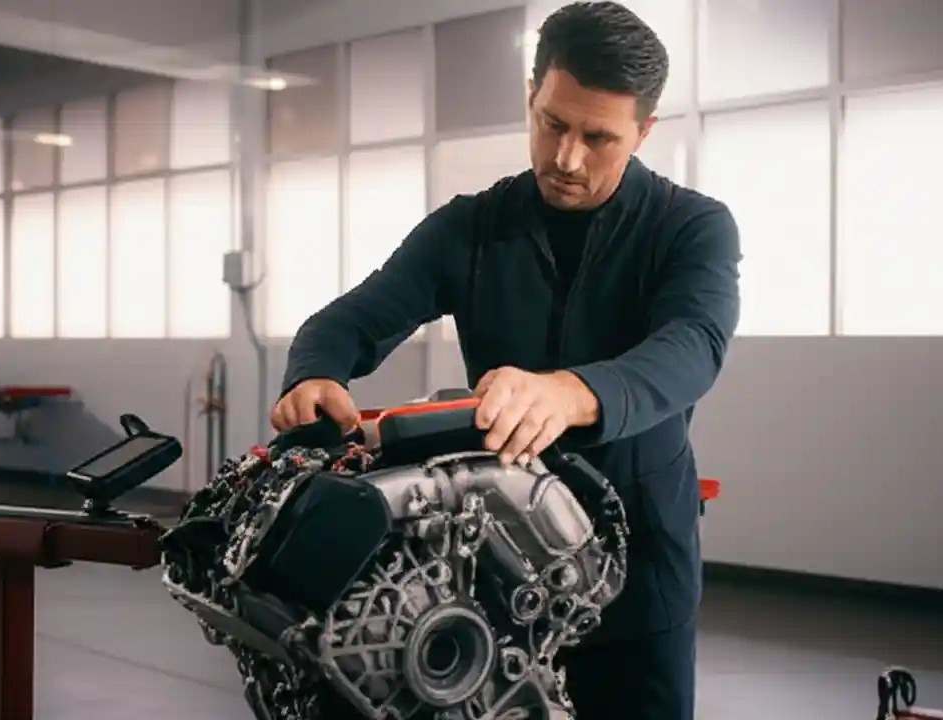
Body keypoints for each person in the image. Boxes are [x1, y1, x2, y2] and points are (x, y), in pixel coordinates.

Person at [270, 2, 741, 717]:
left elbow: (693, 348)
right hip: (492, 576)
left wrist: (571, 393)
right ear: (531, 95)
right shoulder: (469, 227)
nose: (566, 158)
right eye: (552, 123)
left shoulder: (693, 228)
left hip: (640, 578)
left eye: (599, 137)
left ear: (644, 132)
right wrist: (314, 372)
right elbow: (352, 319)